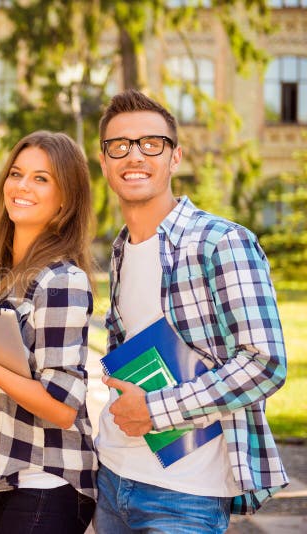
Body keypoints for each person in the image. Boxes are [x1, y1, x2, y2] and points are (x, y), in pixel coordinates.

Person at [93, 89, 289, 533]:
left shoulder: (221, 241)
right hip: (113, 476)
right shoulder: (123, 247)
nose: (134, 156)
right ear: (104, 162)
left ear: (175, 157)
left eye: (151, 144)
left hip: (187, 493)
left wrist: (157, 412)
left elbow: (266, 364)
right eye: (118, 147)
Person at [0, 131, 98, 533]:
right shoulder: (3, 281)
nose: (22, 186)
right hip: (4, 474)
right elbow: (6, 376)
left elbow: (62, 408)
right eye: (16, 173)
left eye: (41, 178)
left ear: (66, 198)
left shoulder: (62, 280)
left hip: (49, 477)